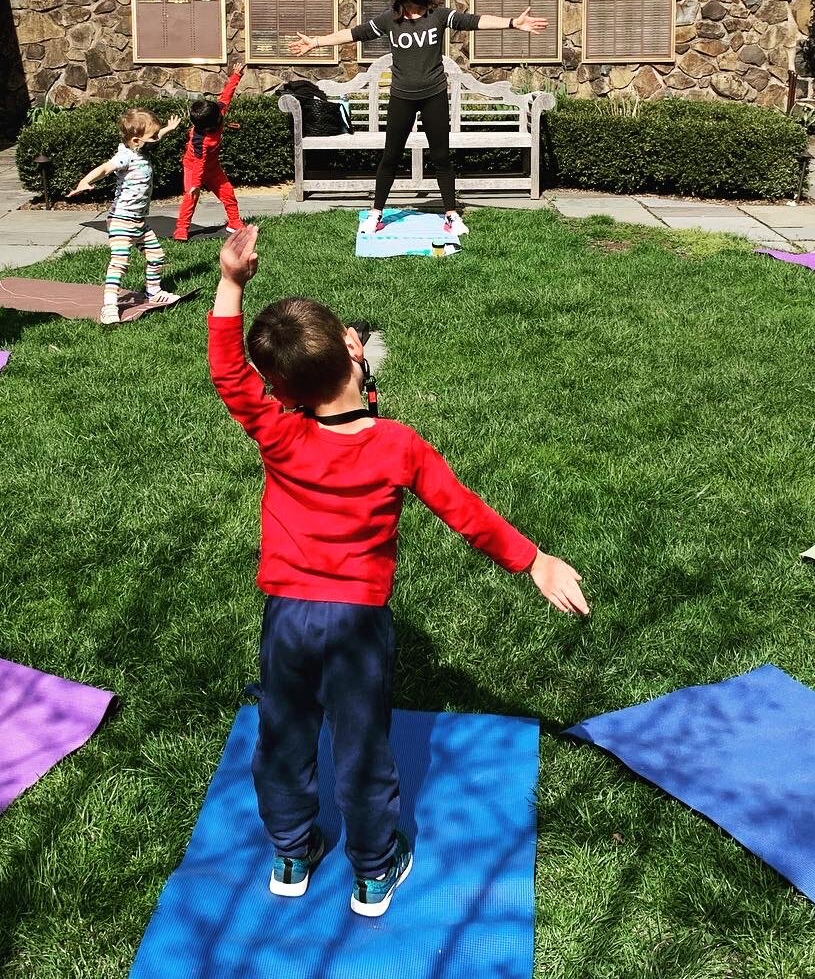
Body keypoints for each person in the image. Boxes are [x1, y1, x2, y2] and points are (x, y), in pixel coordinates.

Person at [209, 225, 589, 917]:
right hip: (356, 624)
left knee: (285, 733)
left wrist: (231, 283)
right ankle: (374, 871)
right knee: (361, 749)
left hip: (288, 619)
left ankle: (293, 851)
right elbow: (465, 512)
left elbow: (227, 373)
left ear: (281, 388)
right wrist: (533, 559)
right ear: (354, 347)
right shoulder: (397, 445)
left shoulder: (278, 429)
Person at [289, 0, 550, 236]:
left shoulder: (437, 16)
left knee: (441, 158)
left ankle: (451, 214)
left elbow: (473, 21)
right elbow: (354, 34)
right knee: (390, 157)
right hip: (402, 98)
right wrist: (316, 42)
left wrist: (512, 23)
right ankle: (376, 214)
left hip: (434, 96)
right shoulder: (390, 20)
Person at [71, 107, 183, 326]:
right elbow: (104, 169)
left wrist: (167, 129)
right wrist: (85, 182)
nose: (155, 139)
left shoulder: (140, 148)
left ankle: (153, 292)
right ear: (136, 140)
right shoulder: (125, 156)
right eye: (152, 137)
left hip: (139, 221)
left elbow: (154, 137)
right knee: (119, 263)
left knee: (156, 256)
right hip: (121, 220)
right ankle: (110, 306)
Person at [176, 67, 244, 242]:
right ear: (205, 126)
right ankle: (182, 229)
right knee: (191, 197)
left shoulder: (217, 112)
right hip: (193, 168)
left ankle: (234, 222)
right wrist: (196, 185)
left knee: (227, 192)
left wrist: (236, 75)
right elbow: (199, 163)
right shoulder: (199, 140)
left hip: (213, 168)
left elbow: (226, 95)